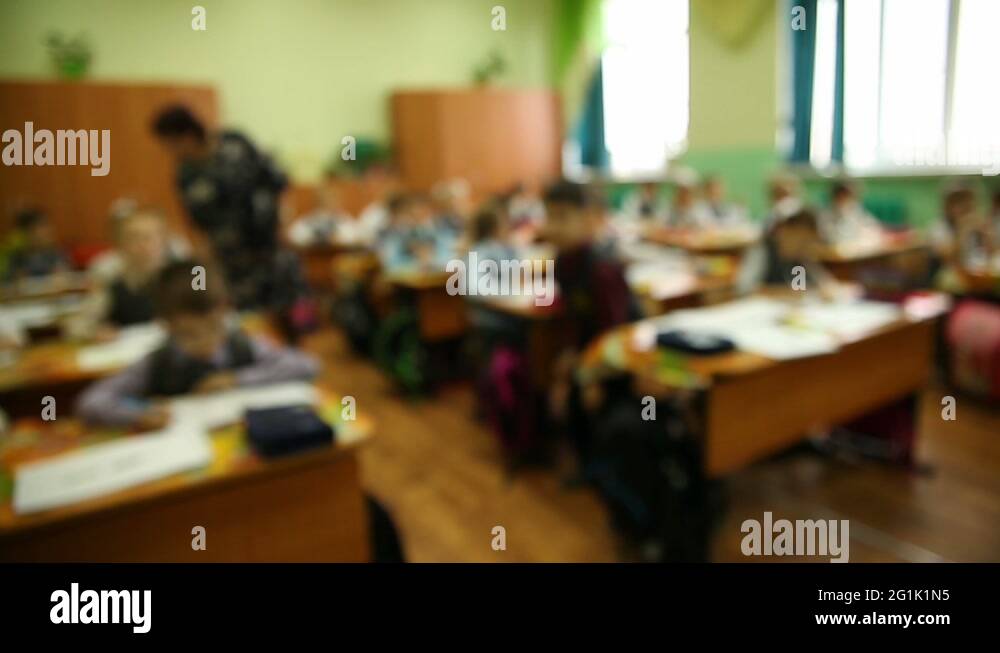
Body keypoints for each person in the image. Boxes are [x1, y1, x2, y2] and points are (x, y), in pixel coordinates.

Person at [76, 260, 319, 429]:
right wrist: (138, 414)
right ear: (166, 326)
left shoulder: (241, 345)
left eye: (215, 327)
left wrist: (236, 379)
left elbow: (307, 365)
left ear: (226, 312)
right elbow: (92, 402)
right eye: (190, 334)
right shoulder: (159, 362)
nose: (207, 342)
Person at [151, 105, 291, 310]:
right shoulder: (186, 175)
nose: (168, 151)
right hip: (233, 266)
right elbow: (198, 228)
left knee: (294, 317)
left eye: (170, 144)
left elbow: (278, 181)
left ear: (187, 135)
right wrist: (204, 273)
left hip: (272, 252)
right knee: (250, 322)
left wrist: (284, 224)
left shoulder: (236, 143)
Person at [544, 181, 637, 475]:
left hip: (622, 357)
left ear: (587, 220)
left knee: (592, 401)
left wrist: (590, 377)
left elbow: (615, 332)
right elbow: (574, 317)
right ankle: (587, 465)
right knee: (562, 385)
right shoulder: (561, 262)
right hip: (591, 349)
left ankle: (606, 471)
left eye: (562, 217)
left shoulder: (602, 268)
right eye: (549, 216)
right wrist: (570, 358)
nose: (552, 226)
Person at [66, 207, 173, 340]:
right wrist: (95, 333)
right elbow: (75, 325)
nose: (145, 244)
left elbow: (204, 310)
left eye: (151, 236)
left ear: (165, 239)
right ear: (121, 244)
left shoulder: (192, 271)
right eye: (135, 237)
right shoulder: (109, 278)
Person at [3, 208, 69, 282]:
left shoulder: (56, 253)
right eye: (42, 226)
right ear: (28, 232)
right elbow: (9, 283)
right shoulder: (17, 258)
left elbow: (67, 276)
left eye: (48, 226)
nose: (48, 231)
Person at [287, 183, 354, 247]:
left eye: (332, 198)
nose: (330, 202)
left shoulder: (343, 219)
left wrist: (337, 238)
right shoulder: (309, 220)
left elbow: (354, 236)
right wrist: (314, 238)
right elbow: (294, 235)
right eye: (325, 199)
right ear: (317, 202)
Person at [818, 181, 883, 247]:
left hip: (858, 248)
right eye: (842, 195)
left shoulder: (855, 209)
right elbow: (831, 237)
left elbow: (872, 227)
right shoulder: (827, 214)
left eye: (848, 195)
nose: (844, 198)